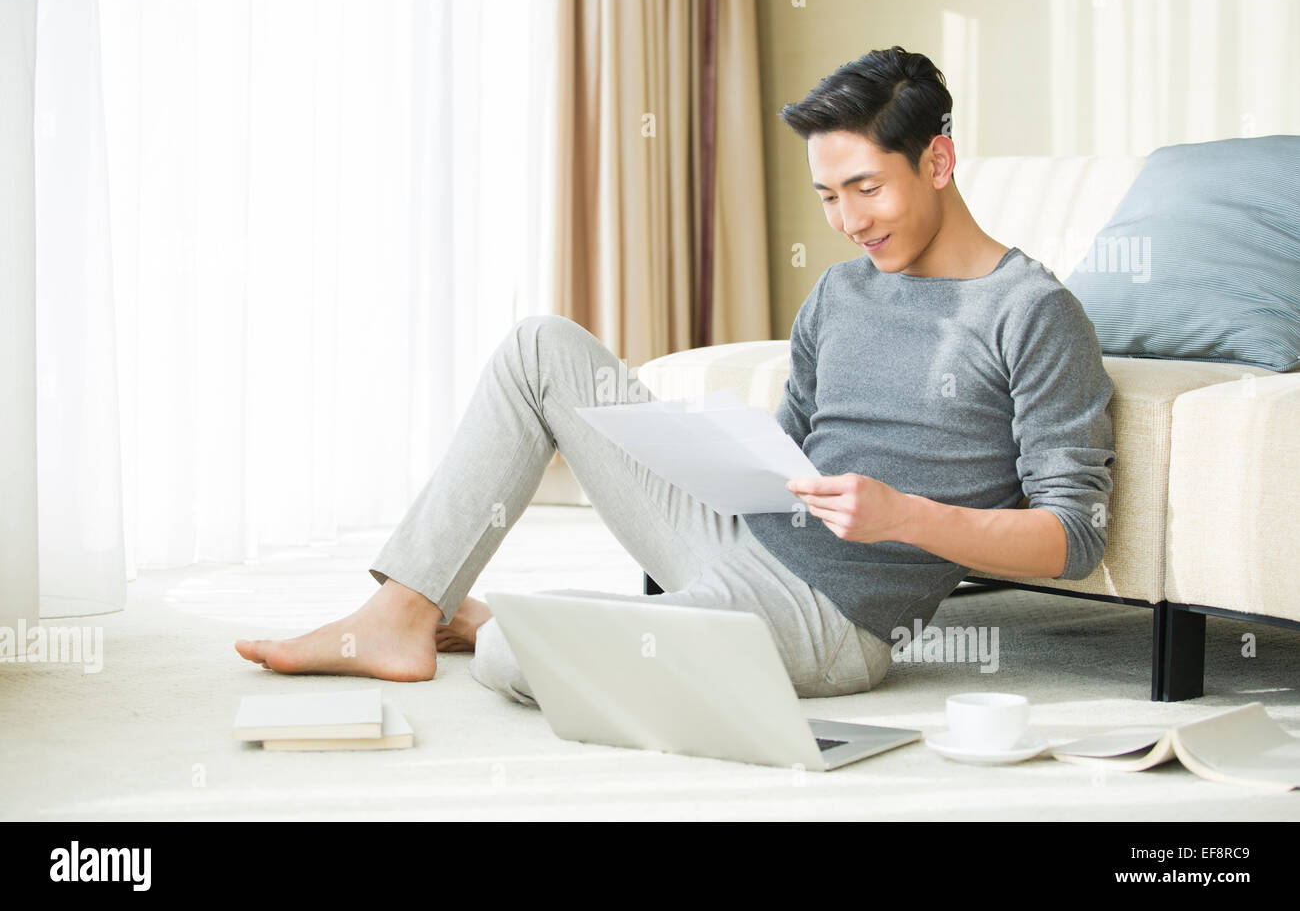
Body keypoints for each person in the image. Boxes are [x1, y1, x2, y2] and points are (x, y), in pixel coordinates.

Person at [235, 45, 1116, 704]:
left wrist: (904, 516)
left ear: (938, 160)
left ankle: (498, 624)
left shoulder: (1032, 313)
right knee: (540, 345)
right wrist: (720, 451)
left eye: (867, 189)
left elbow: (1073, 537)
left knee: (514, 660)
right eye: (827, 197)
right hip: (737, 535)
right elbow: (793, 449)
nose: (848, 221)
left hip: (827, 624)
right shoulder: (842, 292)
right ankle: (405, 610)